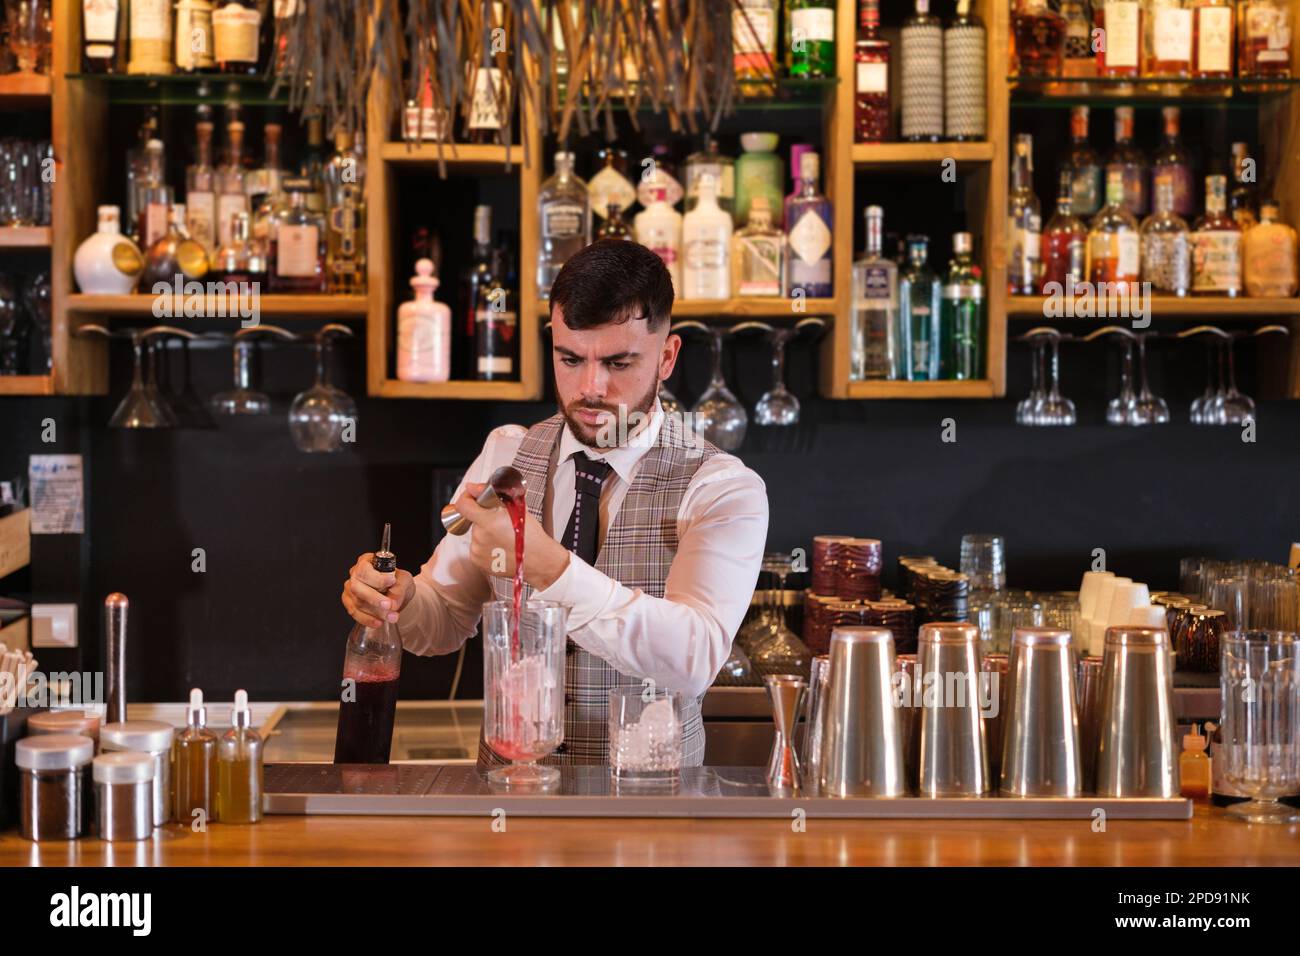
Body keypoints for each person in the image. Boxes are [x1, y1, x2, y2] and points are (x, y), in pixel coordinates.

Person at [342, 240, 769, 767]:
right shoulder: (507, 457)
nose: (591, 388)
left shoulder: (722, 487)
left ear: (666, 357)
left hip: (652, 816)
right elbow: (445, 620)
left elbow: (694, 657)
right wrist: (402, 602)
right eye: (570, 359)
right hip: (510, 808)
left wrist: (546, 566)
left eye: (619, 362)